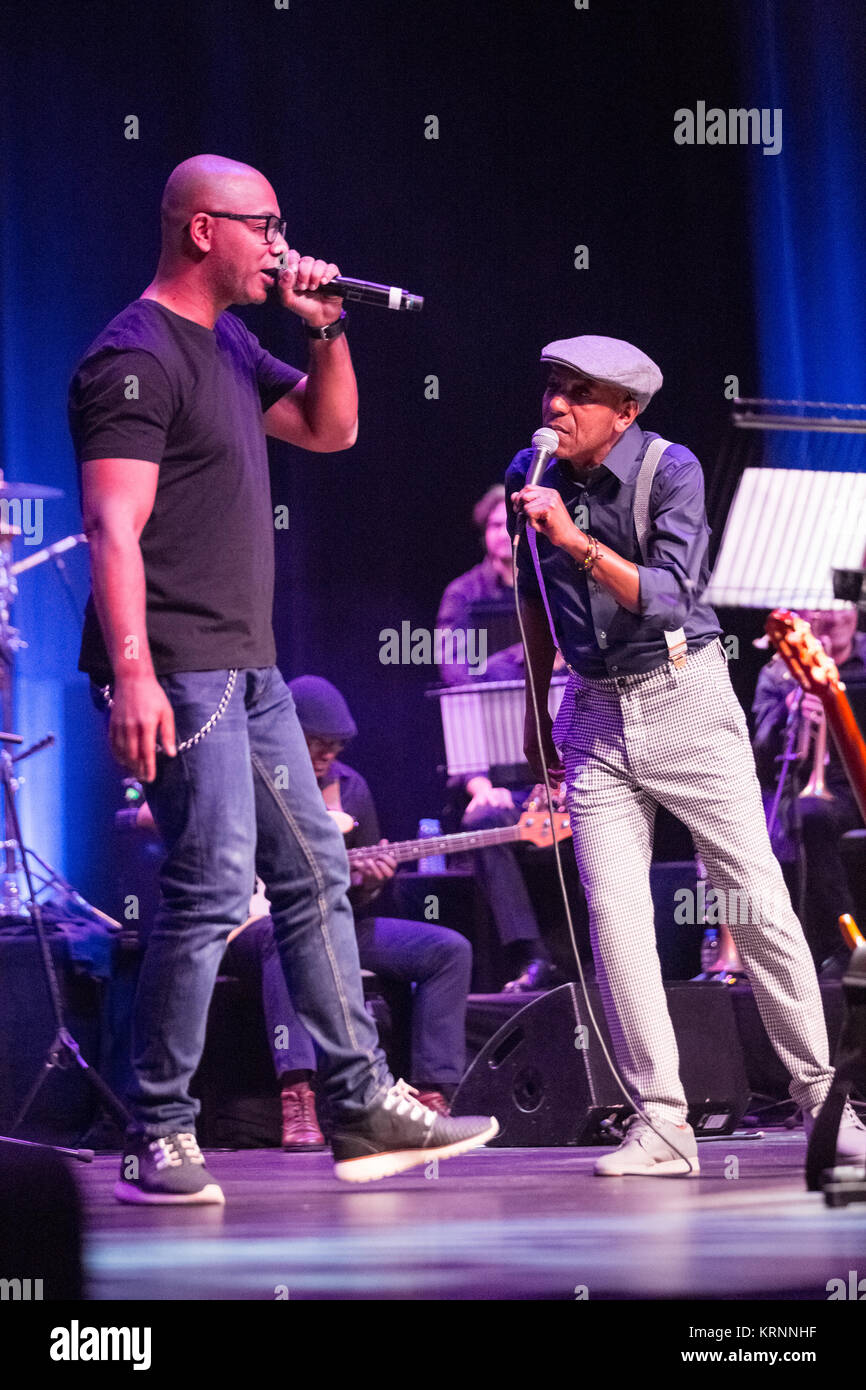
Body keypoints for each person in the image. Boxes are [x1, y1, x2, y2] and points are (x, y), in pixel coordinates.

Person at [69, 154, 495, 1203]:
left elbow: (329, 428)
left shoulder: (230, 345)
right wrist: (134, 674)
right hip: (177, 662)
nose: (279, 241)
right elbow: (110, 527)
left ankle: (356, 1107)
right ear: (202, 230)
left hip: (250, 668)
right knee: (211, 883)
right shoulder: (130, 358)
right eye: (263, 225)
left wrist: (325, 324)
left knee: (314, 873)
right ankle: (157, 1132)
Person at [508, 332, 866, 1175]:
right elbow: (532, 599)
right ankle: (663, 1123)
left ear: (624, 411)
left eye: (578, 394)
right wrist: (535, 718)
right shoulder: (531, 472)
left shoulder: (670, 470)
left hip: (685, 698)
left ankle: (825, 1108)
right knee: (618, 923)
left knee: (756, 905)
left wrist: (574, 541)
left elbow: (669, 598)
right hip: (592, 712)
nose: (556, 407)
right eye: (552, 388)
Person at [222, 676, 473, 1146]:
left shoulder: (351, 789)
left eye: (335, 747)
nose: (327, 756)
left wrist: (372, 884)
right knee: (289, 932)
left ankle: (430, 1097)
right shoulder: (248, 774)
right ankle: (298, 1095)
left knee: (449, 950)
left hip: (336, 922)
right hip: (253, 924)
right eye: (318, 744)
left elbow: (355, 892)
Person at [436, 486, 565, 990]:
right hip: (494, 765)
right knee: (482, 819)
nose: (499, 534)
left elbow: (574, 659)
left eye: (506, 525)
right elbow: (455, 676)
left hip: (559, 762)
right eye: (491, 525)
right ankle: (531, 957)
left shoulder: (551, 584)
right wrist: (478, 781)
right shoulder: (463, 594)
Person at [753, 607, 866, 977]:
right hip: (812, 789)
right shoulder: (779, 672)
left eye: (843, 608)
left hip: (859, 781)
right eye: (825, 610)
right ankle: (844, 946)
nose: (836, 618)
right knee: (809, 815)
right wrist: (793, 707)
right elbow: (762, 752)